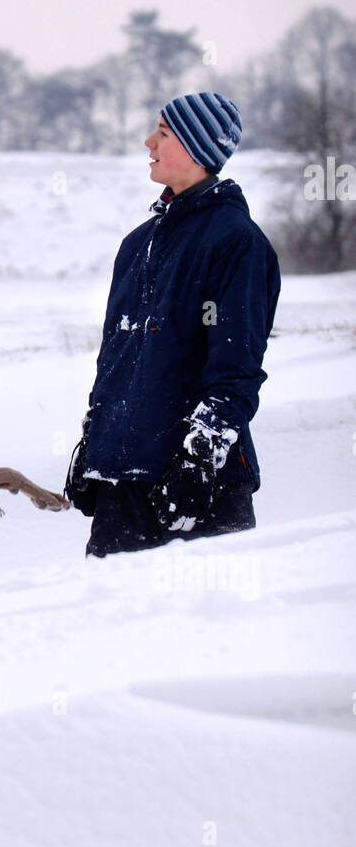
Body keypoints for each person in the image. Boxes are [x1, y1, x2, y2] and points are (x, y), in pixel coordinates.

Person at [65, 92, 281, 558]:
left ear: (198, 150)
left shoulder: (237, 243)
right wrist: (95, 444)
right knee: (100, 627)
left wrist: (197, 462)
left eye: (162, 133)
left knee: (205, 630)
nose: (148, 142)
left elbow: (236, 372)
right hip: (122, 488)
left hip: (198, 489)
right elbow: (118, 361)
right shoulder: (137, 244)